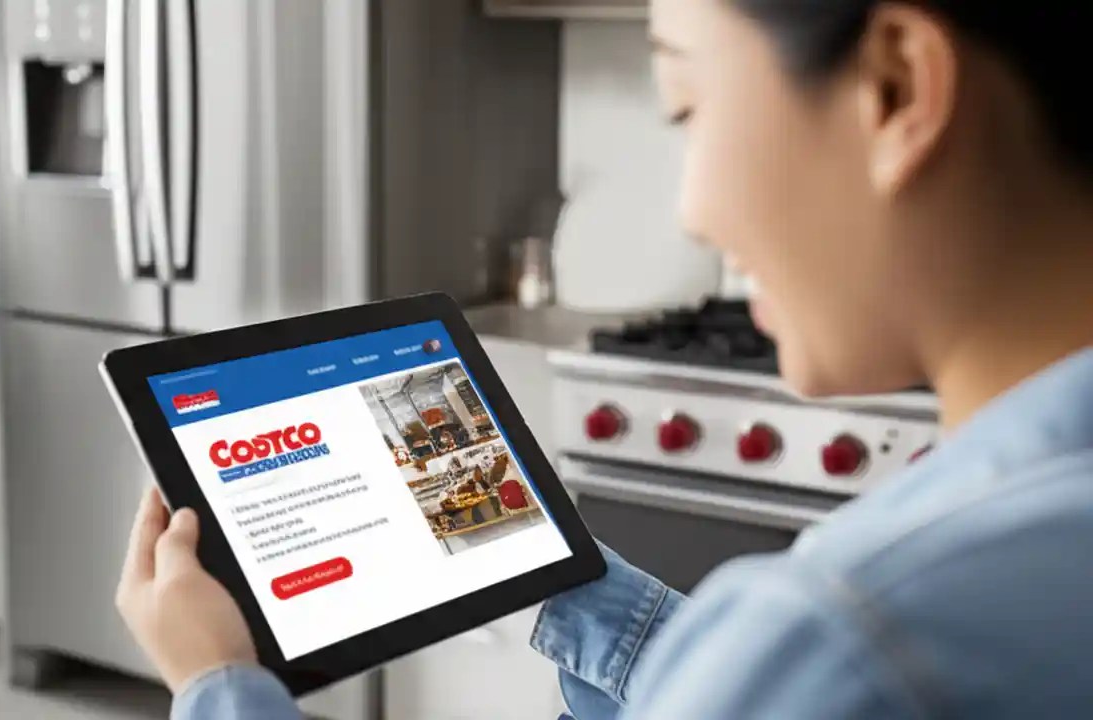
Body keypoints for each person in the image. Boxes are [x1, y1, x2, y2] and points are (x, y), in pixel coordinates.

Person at [115, 0, 1093, 717]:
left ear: (895, 89)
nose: (690, 210)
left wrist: (218, 685)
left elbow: (806, 672)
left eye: (685, 107)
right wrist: (572, 584)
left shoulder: (840, 638)